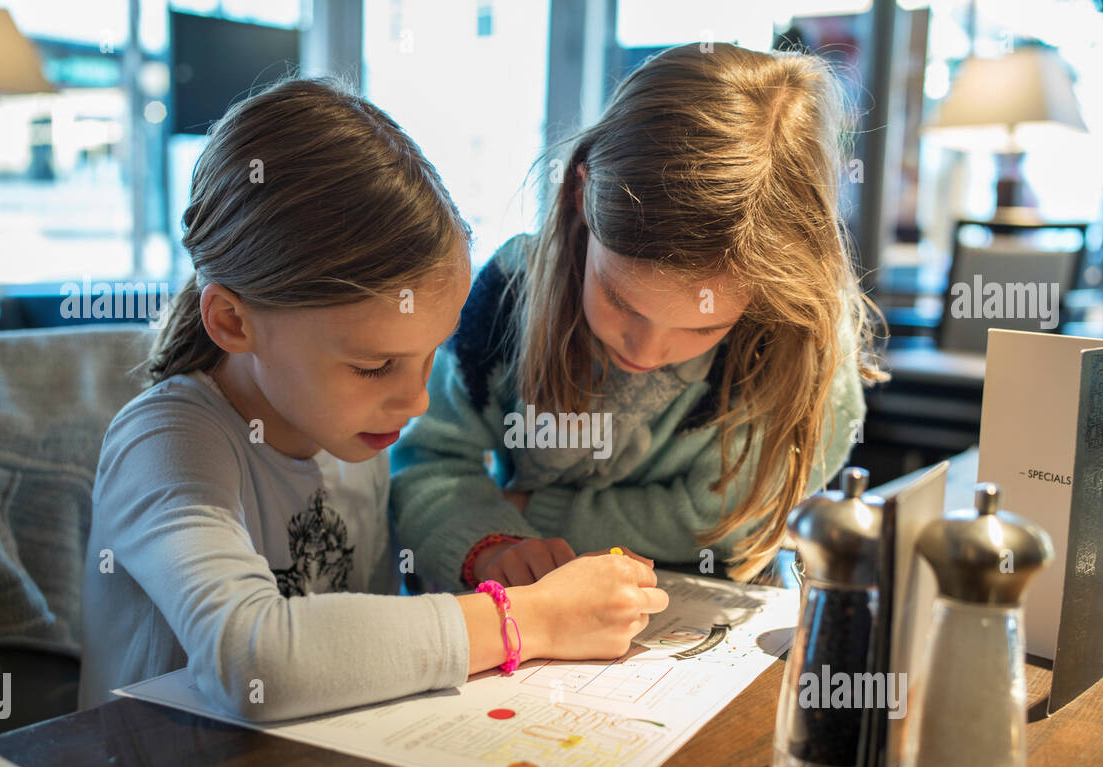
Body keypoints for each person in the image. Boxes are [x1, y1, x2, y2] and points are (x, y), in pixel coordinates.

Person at [77, 77, 666, 722]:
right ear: (233, 322)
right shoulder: (165, 444)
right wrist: (529, 619)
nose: (415, 401)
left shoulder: (353, 436)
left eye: (429, 354)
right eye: (374, 365)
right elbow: (255, 661)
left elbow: (378, 636)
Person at [391, 44, 887, 591]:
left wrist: (536, 510)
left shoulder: (798, 338)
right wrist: (491, 546)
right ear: (581, 194)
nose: (646, 353)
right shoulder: (511, 289)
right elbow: (427, 459)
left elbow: (725, 521)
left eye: (702, 327)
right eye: (621, 301)